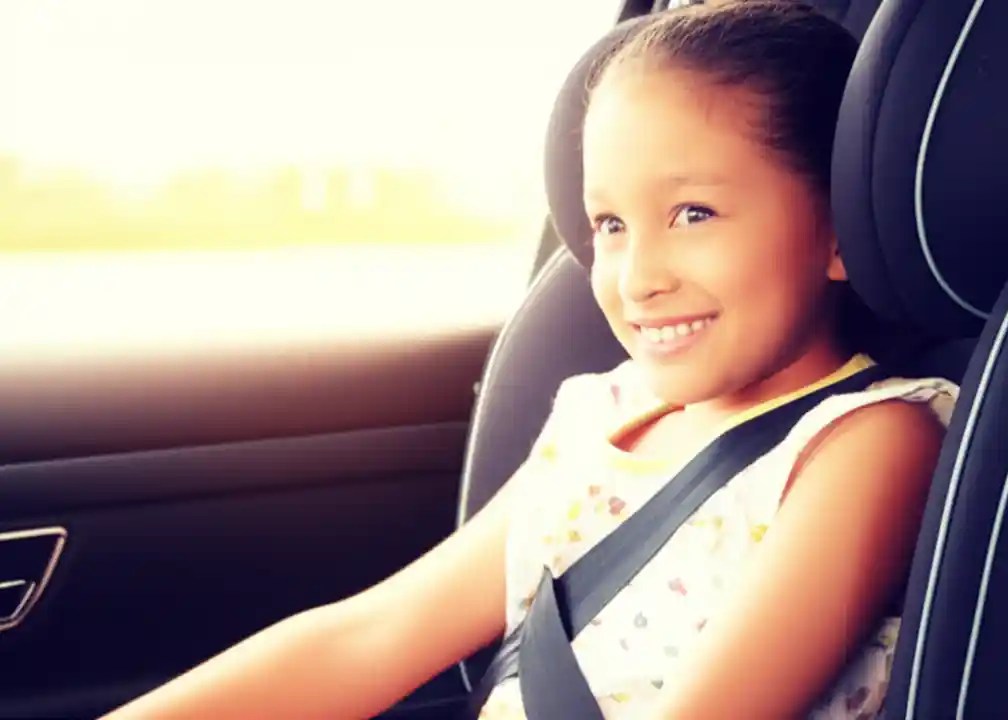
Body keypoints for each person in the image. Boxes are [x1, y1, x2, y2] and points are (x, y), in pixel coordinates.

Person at [105, 2, 957, 718]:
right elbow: (368, 638)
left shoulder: (866, 443)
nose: (638, 277)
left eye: (693, 213)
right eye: (611, 226)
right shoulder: (600, 418)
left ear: (839, 232)